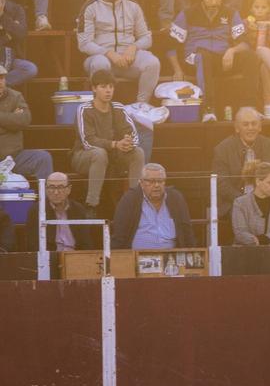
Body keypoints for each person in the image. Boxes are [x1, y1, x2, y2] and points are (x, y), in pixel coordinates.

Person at [167, 0, 258, 123]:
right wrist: (177, 69)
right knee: (203, 56)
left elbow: (245, 43)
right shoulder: (187, 13)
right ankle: (209, 110)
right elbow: (170, 45)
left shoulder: (230, 13)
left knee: (252, 57)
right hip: (195, 60)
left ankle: (250, 107)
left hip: (223, 60)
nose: (214, 2)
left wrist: (232, 51)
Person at [76, 0, 161, 106]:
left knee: (153, 62)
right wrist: (108, 53)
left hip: (128, 60)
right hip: (101, 59)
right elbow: (84, 43)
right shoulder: (90, 6)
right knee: (100, 63)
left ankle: (141, 106)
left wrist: (134, 47)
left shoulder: (133, 6)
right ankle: (101, 108)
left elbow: (147, 37)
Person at [71, 69, 145, 216]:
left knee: (138, 152)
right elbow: (88, 141)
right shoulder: (84, 109)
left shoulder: (118, 107)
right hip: (84, 157)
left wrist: (128, 142)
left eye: (111, 87)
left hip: (112, 156)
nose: (108, 91)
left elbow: (133, 134)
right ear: (94, 88)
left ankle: (135, 200)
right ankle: (92, 204)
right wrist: (115, 144)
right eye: (103, 86)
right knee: (99, 153)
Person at [212, 107, 270, 234]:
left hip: (267, 197)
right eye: (245, 124)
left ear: (260, 127)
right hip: (235, 200)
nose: (251, 128)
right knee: (244, 212)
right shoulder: (222, 149)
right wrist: (244, 200)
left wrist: (268, 197)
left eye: (254, 124)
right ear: (237, 128)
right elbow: (221, 184)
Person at [112, 163, 196, 249]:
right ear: (141, 183)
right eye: (151, 181)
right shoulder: (130, 199)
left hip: (170, 259)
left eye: (160, 181)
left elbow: (187, 232)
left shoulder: (176, 198)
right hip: (137, 259)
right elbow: (119, 235)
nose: (156, 185)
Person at [0, 64, 51, 181]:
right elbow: (16, 122)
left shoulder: (16, 96)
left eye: (2, 78)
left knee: (43, 158)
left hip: (14, 158)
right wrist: (11, 122)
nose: (0, 82)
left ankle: (45, 199)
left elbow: (24, 120)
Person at [23, 173, 96, 252]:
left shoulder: (78, 209)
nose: (56, 192)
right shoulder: (36, 210)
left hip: (74, 257)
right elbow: (33, 245)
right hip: (50, 258)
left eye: (60, 187)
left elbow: (86, 242)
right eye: (51, 187)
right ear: (46, 189)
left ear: (69, 189)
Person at [231, 160, 270, 245]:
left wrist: (267, 239)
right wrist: (256, 241)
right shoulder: (240, 203)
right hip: (246, 252)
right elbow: (240, 232)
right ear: (258, 181)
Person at [0, 0, 36, 87]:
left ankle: (1, 86)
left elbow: (21, 34)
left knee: (30, 69)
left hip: (12, 58)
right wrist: (8, 36)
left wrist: (2, 16)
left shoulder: (16, 9)